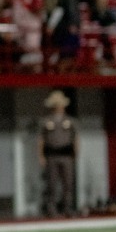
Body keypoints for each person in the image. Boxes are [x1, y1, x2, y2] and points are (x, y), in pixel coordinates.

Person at [38, 89, 76, 217]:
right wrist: (41, 155)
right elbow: (41, 140)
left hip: (66, 154)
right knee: (52, 184)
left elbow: (75, 138)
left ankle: (67, 207)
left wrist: (75, 153)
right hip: (52, 155)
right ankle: (52, 208)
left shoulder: (70, 121)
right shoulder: (46, 121)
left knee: (68, 183)